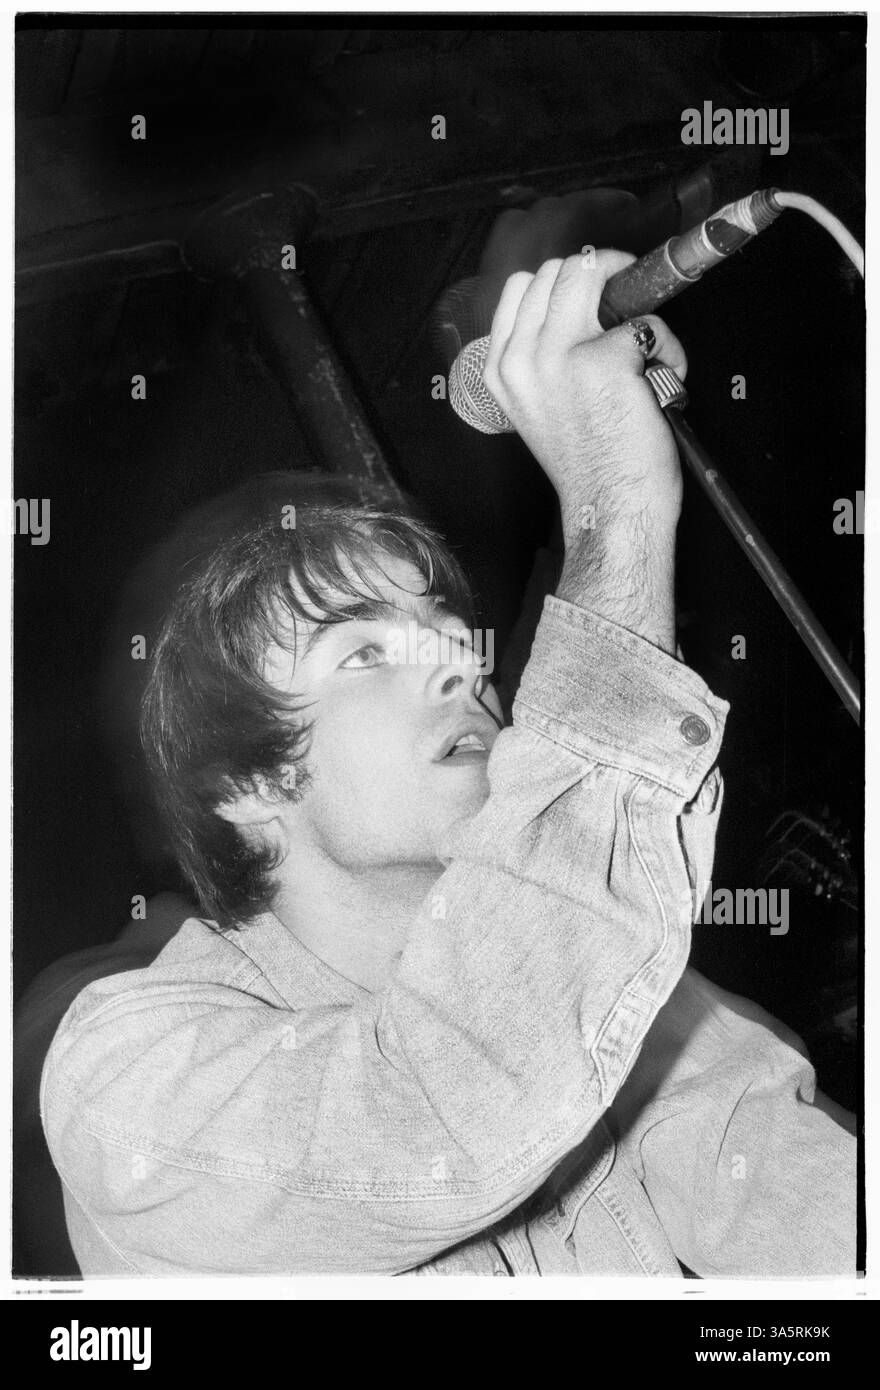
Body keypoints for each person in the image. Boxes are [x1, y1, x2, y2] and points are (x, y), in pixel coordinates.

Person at [39, 249, 855, 1277]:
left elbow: (806, 1209)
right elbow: (440, 1106)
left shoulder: (614, 982)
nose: (459, 666)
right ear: (244, 784)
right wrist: (615, 506)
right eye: (367, 651)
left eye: (446, 630)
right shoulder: (128, 1080)